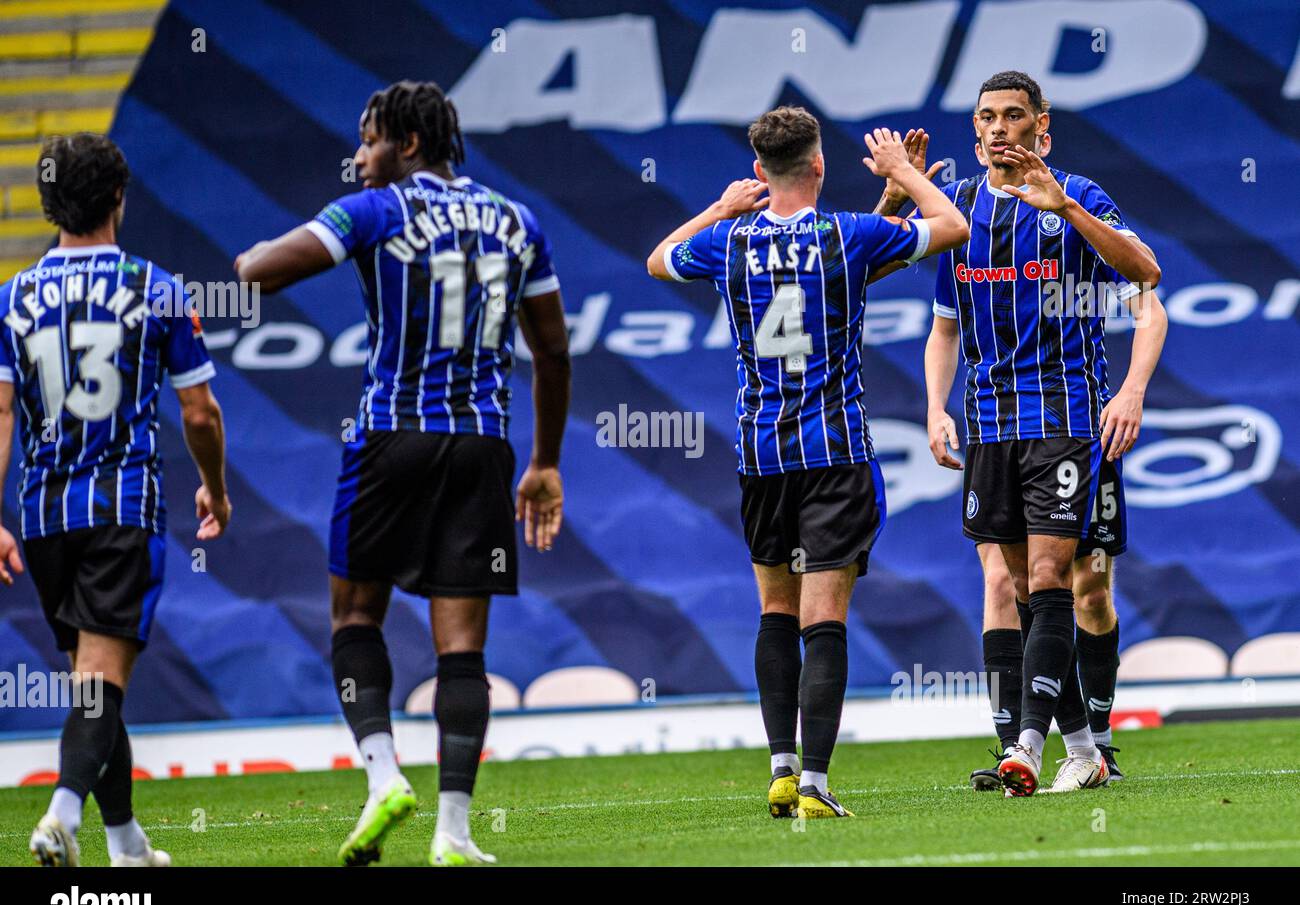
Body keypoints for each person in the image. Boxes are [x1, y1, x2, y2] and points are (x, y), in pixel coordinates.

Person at [234, 81, 570, 865]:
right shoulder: (518, 221)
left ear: (407, 144)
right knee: (463, 652)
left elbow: (258, 273)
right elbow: (552, 351)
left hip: (392, 438)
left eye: (367, 139)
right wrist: (547, 461)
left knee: (354, 617)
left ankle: (384, 775)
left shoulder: (375, 210)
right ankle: (454, 834)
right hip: (484, 446)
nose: (359, 156)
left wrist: (264, 253)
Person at [647, 106, 968, 817]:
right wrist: (905, 174)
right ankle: (818, 786)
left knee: (774, 609)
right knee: (824, 619)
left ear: (760, 171)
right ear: (820, 164)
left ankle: (782, 771)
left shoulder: (727, 243)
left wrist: (719, 208)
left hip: (763, 456)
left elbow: (660, 257)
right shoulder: (845, 236)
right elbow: (953, 228)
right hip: (834, 453)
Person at [916, 71, 1167, 795]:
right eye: (988, 117)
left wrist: (1132, 391)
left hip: (1068, 420)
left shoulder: (1079, 199)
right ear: (976, 130)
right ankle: (1042, 746)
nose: (999, 129)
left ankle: (1060, 741)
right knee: (1011, 581)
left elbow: (1146, 280)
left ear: (1041, 129)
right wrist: (937, 406)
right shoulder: (960, 211)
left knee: (1082, 580)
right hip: (991, 427)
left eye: (1014, 116)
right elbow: (944, 325)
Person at [0, 133, 230, 866]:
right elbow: (201, 413)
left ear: (48, 206)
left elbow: (0, 414)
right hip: (120, 508)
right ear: (118, 200)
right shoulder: (158, 288)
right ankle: (60, 815)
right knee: (101, 686)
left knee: (93, 684)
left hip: (42, 520)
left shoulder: (12, 298)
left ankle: (128, 845)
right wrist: (216, 491)